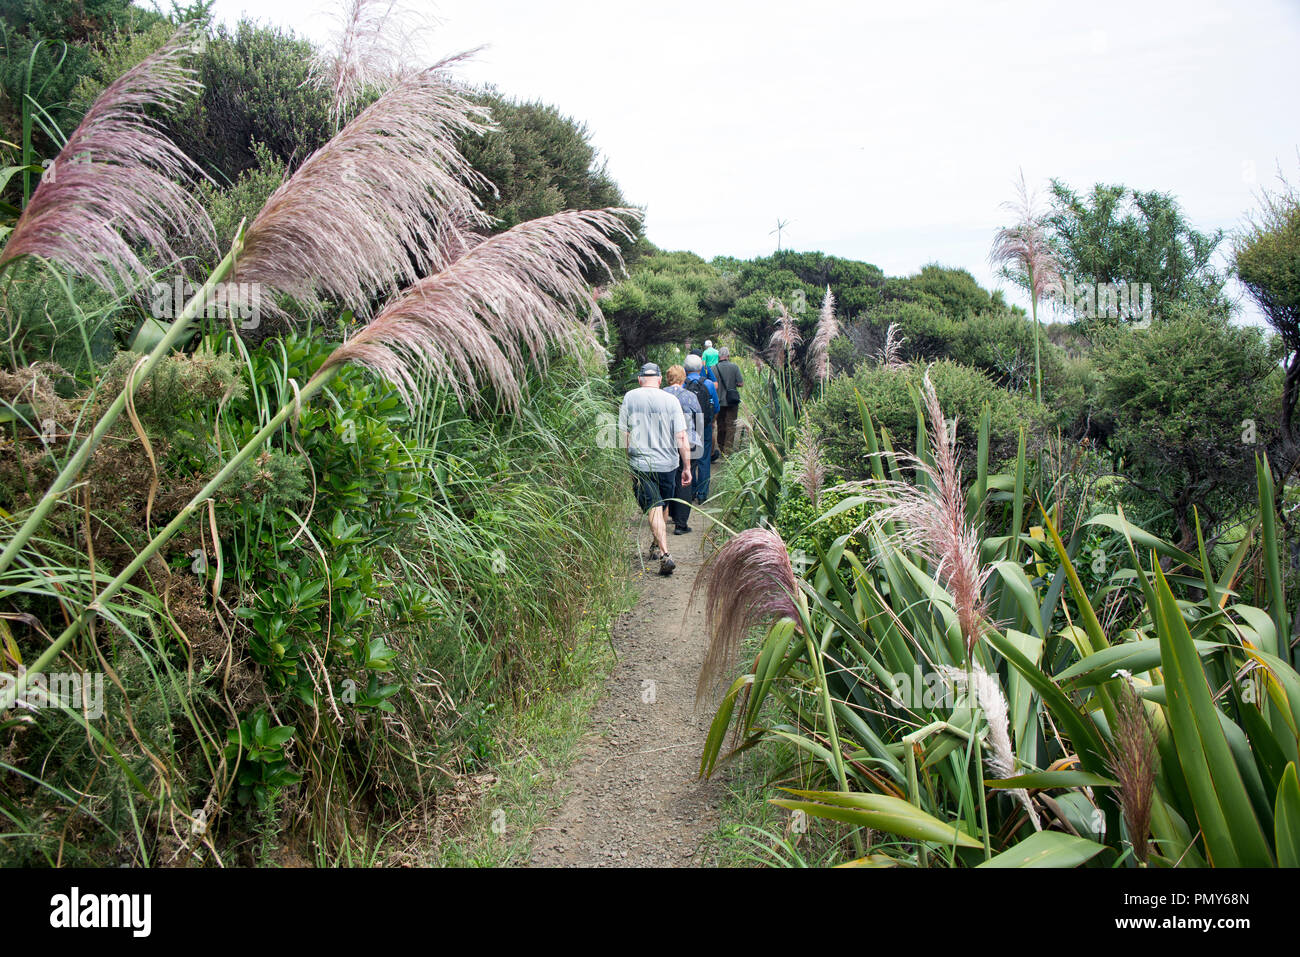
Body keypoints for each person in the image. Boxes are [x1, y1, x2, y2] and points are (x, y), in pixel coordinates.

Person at [619, 363, 693, 575]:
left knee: (653, 505)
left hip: (641, 463)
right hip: (668, 464)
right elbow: (681, 436)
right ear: (660, 380)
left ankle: (665, 553)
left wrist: (626, 459)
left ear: (640, 379)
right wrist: (687, 466)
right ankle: (656, 545)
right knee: (662, 502)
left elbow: (623, 433)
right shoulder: (671, 400)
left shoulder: (630, 397)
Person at [662, 365, 704, 534]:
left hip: (666, 442)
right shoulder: (690, 396)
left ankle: (668, 513)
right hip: (689, 441)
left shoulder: (661, 395)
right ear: (683, 378)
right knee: (685, 480)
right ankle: (681, 524)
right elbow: (699, 417)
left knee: (670, 478)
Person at [683, 354, 718, 503]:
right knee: (704, 459)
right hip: (705, 425)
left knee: (690, 457)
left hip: (688, 426)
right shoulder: (709, 384)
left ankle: (691, 491)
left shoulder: (683, 384)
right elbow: (716, 406)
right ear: (700, 368)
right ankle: (702, 494)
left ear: (685, 369)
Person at [713, 346, 745, 455]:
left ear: (719, 357)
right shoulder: (734, 367)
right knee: (731, 425)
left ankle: (721, 447)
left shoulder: (713, 368)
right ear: (728, 356)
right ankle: (728, 451)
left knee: (720, 424)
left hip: (718, 401)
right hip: (731, 401)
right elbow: (740, 383)